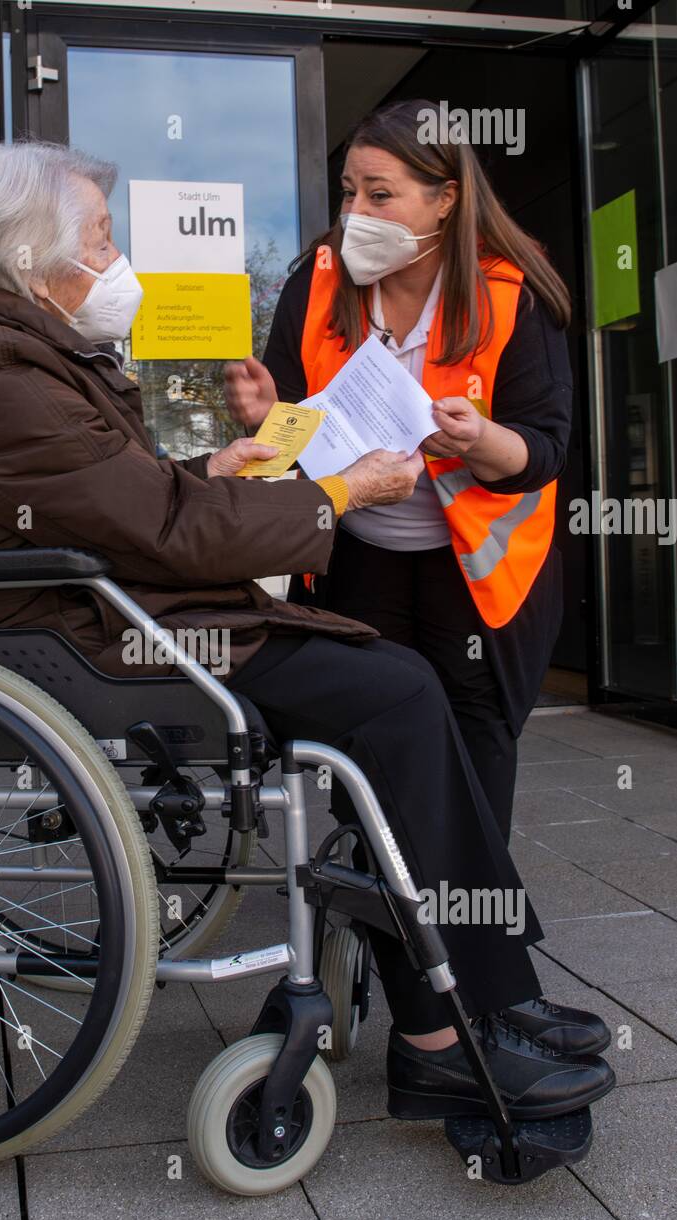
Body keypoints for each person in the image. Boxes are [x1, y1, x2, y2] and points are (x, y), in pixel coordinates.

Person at [0, 138, 613, 1124]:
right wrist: (338, 489)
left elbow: (127, 506)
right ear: (34, 260)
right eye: (101, 238)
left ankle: (483, 995)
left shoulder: (17, 351)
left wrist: (211, 472)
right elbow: (160, 530)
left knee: (399, 693)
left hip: (121, 621)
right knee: (398, 695)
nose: (118, 259)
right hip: (103, 646)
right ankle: (444, 1032)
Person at [225, 98, 572, 847]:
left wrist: (480, 439)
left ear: (445, 199)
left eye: (379, 194)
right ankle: (377, 895)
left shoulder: (511, 291)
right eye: (349, 191)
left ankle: (463, 911)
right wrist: (264, 420)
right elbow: (291, 435)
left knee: (472, 729)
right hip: (358, 552)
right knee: (368, 727)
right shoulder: (316, 281)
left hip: (479, 571)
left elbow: (542, 452)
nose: (356, 211)